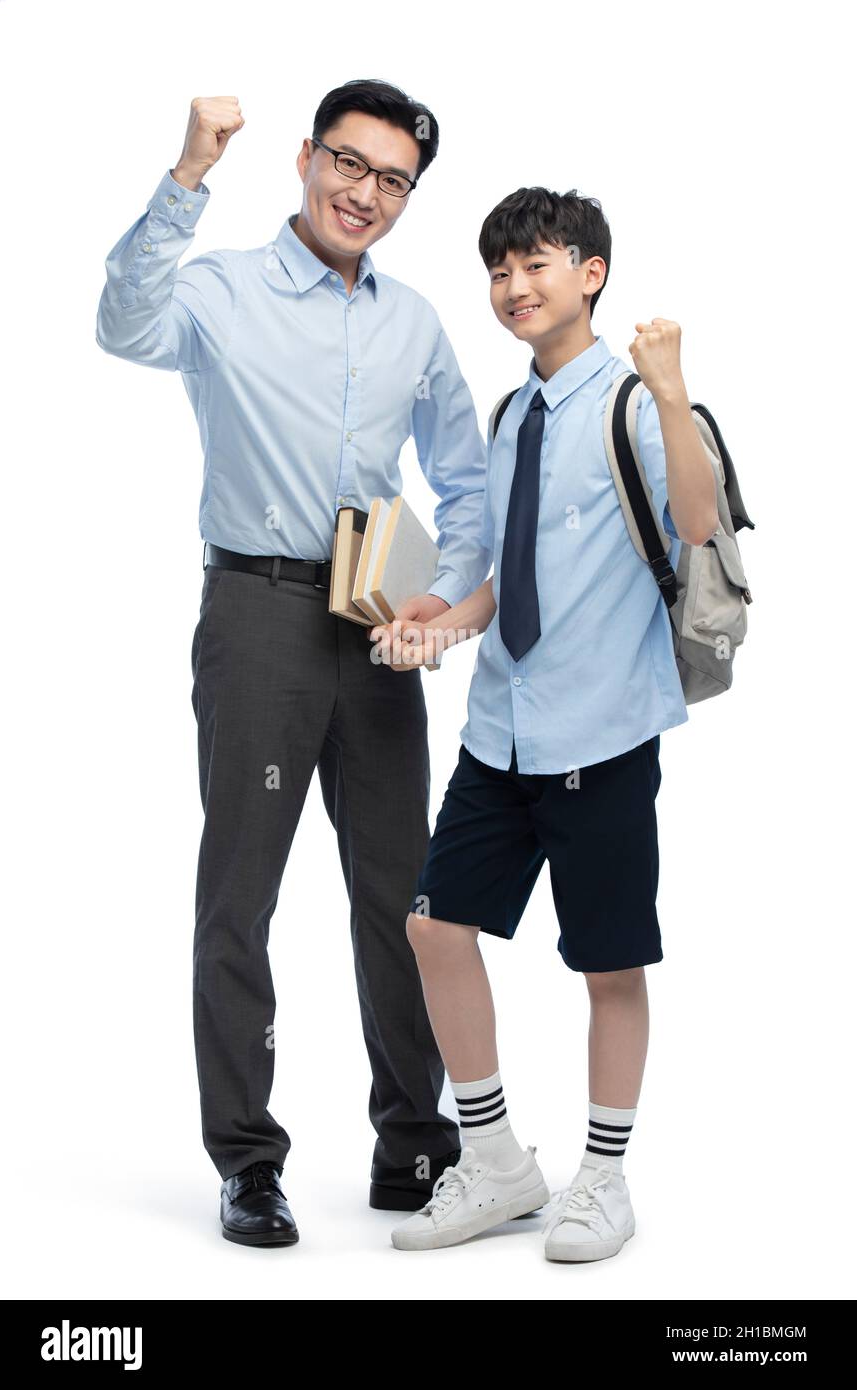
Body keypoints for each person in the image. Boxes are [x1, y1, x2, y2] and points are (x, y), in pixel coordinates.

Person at [95, 79, 493, 1246]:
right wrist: (186, 174)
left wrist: (435, 593)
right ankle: (246, 1159)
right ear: (309, 159)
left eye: (391, 182)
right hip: (258, 616)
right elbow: (122, 326)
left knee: (403, 896)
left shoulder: (414, 321)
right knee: (241, 896)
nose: (363, 194)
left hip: (377, 625)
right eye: (349, 165)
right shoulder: (219, 288)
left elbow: (464, 484)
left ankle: (414, 1142)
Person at [370, 185, 719, 1259]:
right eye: (499, 270)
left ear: (589, 275)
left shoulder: (632, 401)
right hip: (501, 729)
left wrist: (669, 395)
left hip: (600, 732)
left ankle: (601, 1179)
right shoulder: (511, 412)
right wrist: (442, 621)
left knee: (606, 965)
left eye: (538, 264)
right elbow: (505, 575)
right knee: (434, 927)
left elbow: (698, 523)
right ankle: (497, 1164)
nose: (515, 287)